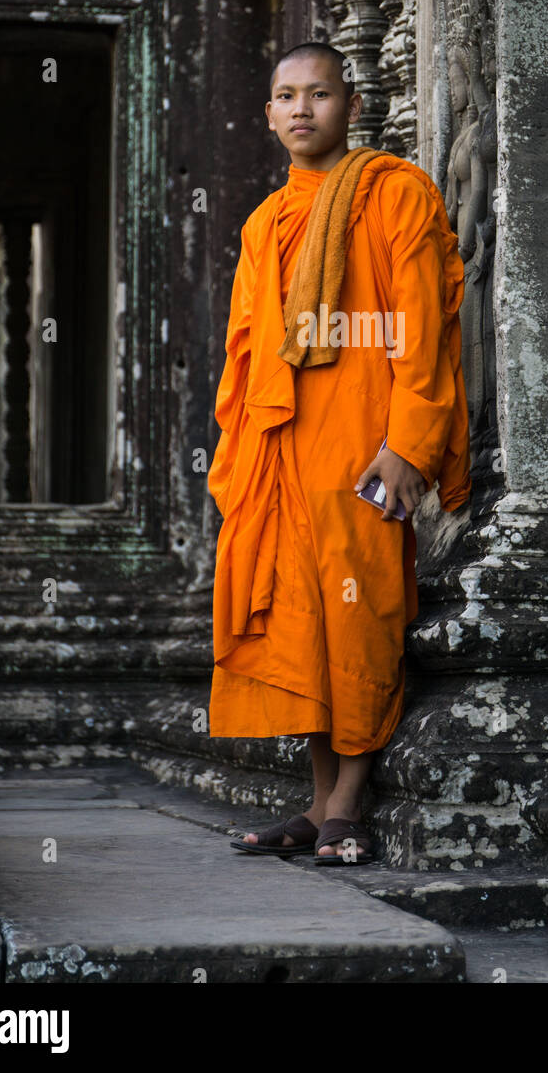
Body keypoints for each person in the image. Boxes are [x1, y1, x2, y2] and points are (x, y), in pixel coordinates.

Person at [207, 42, 471, 863]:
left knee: (359, 615)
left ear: (351, 107)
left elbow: (421, 328)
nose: (300, 110)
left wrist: (407, 445)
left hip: (362, 447)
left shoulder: (393, 194)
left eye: (318, 95)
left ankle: (348, 805)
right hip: (282, 455)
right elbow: (245, 355)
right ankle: (319, 802)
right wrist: (243, 454)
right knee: (301, 625)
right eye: (285, 96)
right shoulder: (266, 222)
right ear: (268, 113)